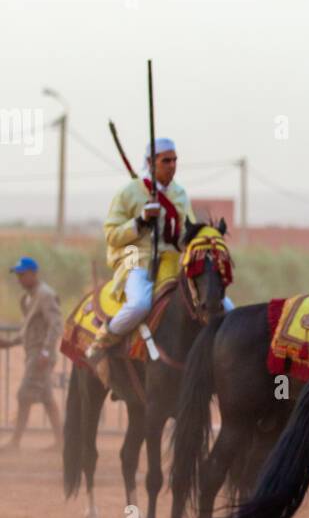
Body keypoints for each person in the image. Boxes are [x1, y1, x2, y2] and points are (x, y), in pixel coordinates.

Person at [86, 138, 230, 380]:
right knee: (140, 304)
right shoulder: (129, 193)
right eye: (166, 161)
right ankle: (100, 344)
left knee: (223, 306)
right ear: (151, 163)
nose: (172, 165)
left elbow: (188, 232)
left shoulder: (180, 194)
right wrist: (140, 221)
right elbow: (112, 234)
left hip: (174, 260)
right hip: (135, 257)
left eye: (175, 160)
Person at [0, 256, 63, 448]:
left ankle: (15, 441)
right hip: (33, 354)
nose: (19, 279)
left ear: (33, 274)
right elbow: (30, 328)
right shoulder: (28, 297)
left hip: (40, 356)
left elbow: (55, 324)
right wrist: (11, 343)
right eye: (18, 275)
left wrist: (45, 352)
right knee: (47, 399)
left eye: (22, 274)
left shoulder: (45, 295)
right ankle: (61, 441)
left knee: (23, 395)